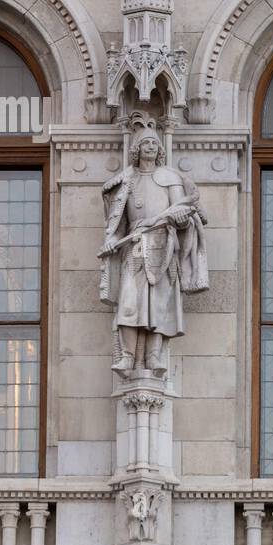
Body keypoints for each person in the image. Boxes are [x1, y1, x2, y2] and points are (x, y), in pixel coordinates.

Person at [99, 115, 208, 377]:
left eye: (154, 143)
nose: (150, 147)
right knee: (129, 300)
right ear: (136, 149)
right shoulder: (127, 181)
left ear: (160, 150)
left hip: (163, 243)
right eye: (145, 143)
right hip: (135, 245)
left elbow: (182, 211)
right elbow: (118, 225)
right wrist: (112, 240)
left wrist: (181, 220)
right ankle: (127, 356)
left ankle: (153, 355)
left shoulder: (169, 177)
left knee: (160, 302)